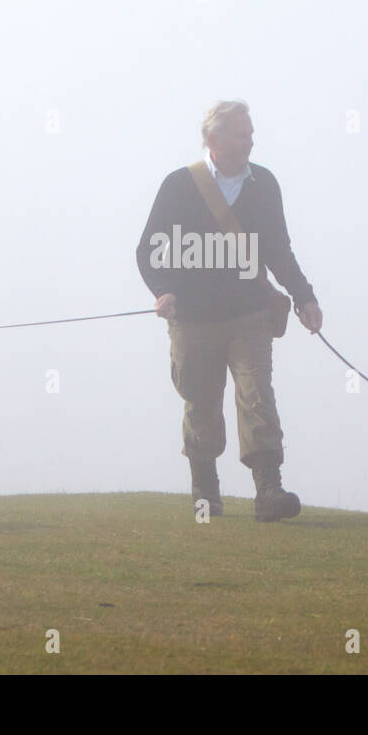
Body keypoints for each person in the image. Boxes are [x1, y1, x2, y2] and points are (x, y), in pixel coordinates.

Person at [136, 100, 322, 521]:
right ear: (214, 139)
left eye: (251, 132)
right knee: (200, 404)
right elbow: (148, 249)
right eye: (242, 133)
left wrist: (305, 297)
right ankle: (206, 495)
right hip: (192, 319)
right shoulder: (179, 185)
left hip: (250, 315)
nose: (250, 140)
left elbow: (278, 250)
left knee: (257, 395)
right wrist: (163, 291)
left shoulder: (265, 185)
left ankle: (268, 492)